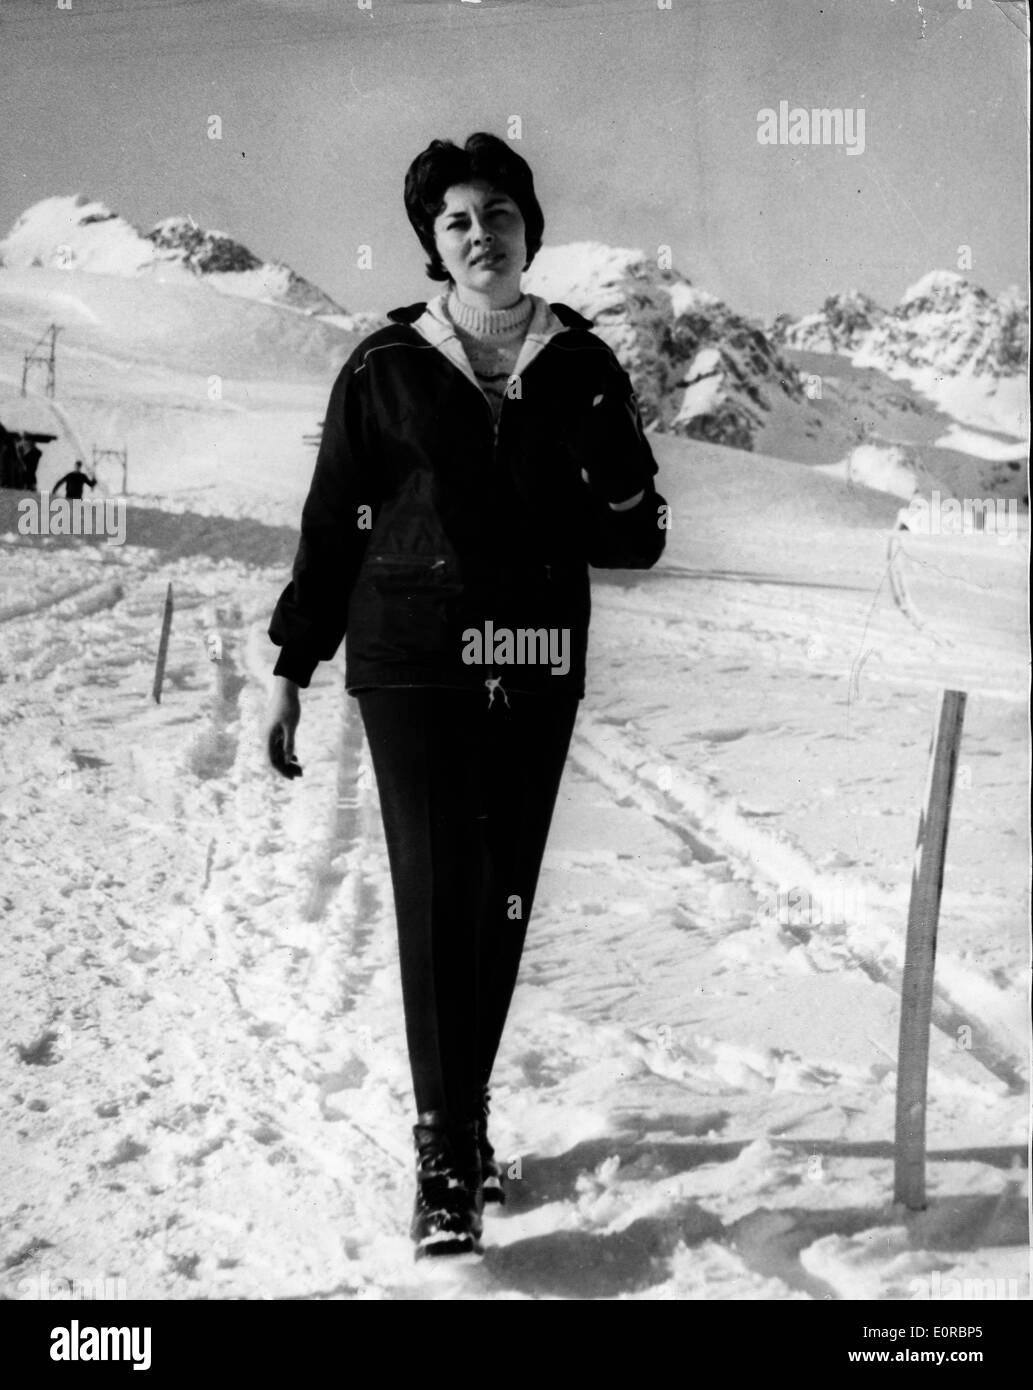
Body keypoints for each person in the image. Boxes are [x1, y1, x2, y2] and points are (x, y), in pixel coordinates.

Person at [266, 132, 667, 1259]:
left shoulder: (583, 366)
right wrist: (295, 662)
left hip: (534, 655)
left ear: (530, 230)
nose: (479, 233)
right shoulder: (384, 365)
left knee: (498, 905)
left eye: (497, 212)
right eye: (455, 221)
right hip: (411, 660)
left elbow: (635, 536)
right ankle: (444, 1158)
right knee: (439, 897)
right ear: (432, 248)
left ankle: (470, 1119)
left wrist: (606, 480)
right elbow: (332, 517)